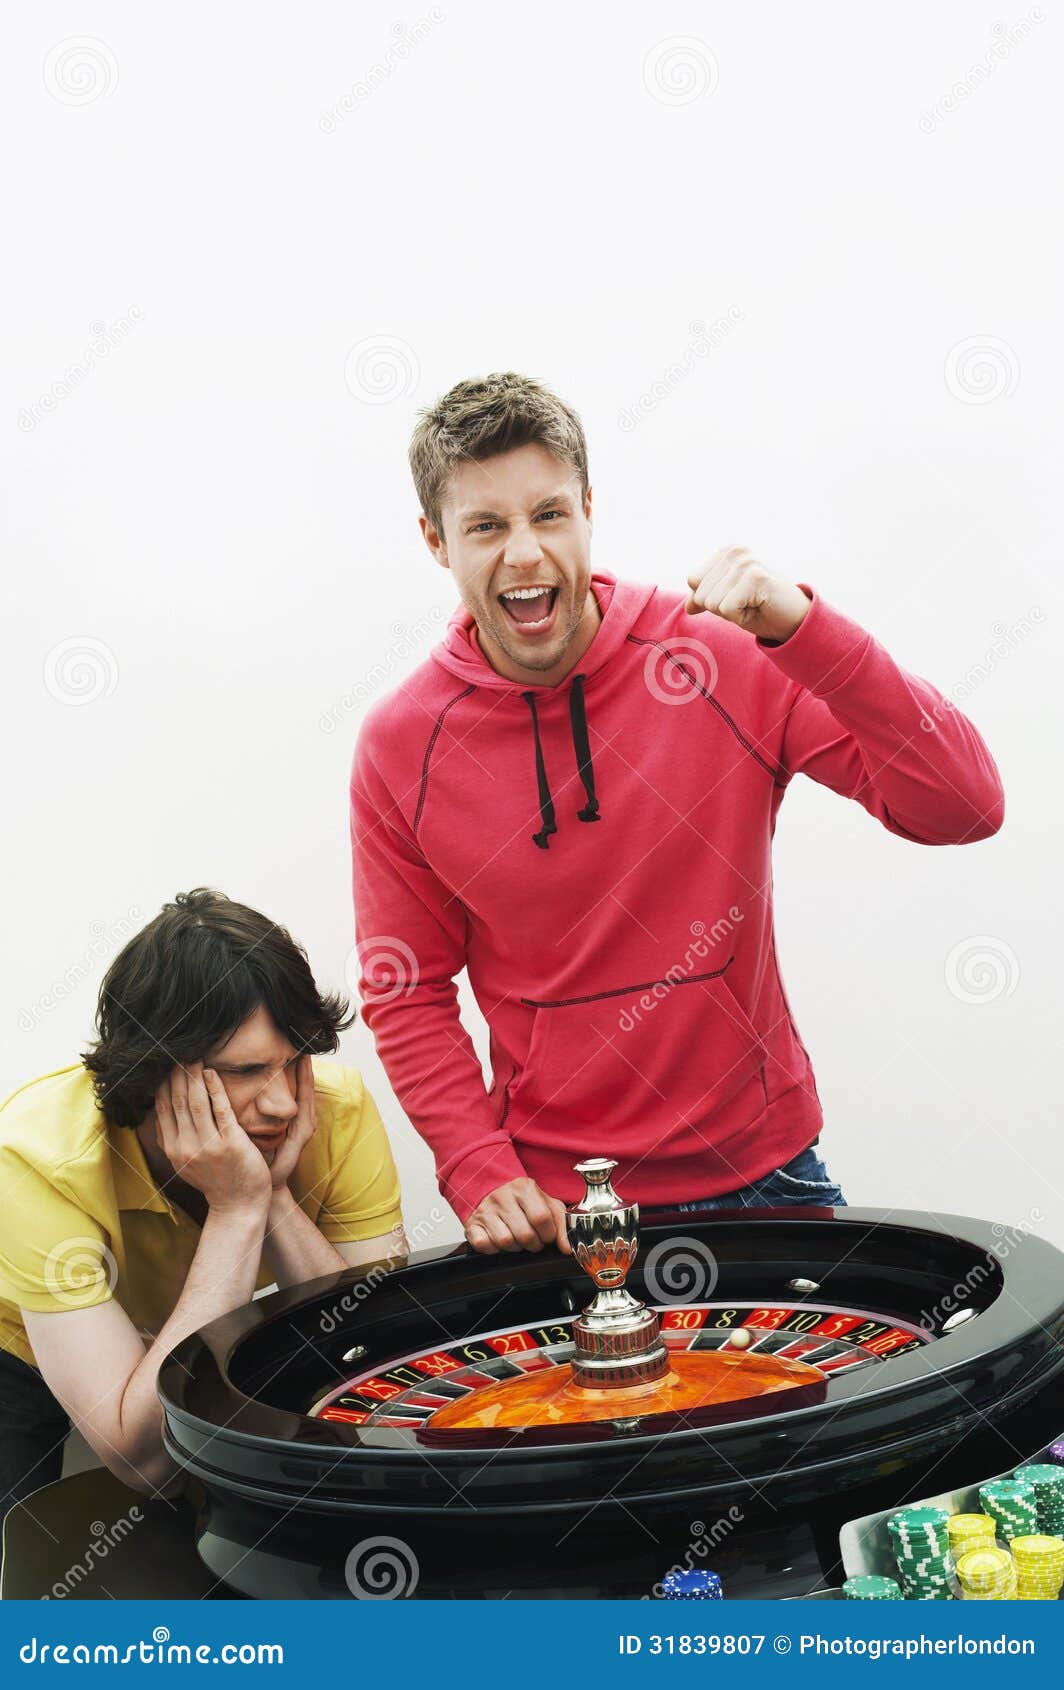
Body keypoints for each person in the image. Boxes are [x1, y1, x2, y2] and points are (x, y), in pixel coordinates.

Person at [349, 371, 1004, 1257]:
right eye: (487, 526)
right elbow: (409, 989)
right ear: (437, 541)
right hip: (562, 1212)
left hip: (766, 1181)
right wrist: (474, 1163)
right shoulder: (401, 744)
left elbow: (963, 805)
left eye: (548, 514)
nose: (527, 555)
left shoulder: (720, 655)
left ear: (588, 507)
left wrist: (805, 629)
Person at [0, 889, 405, 1512]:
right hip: (22, 1347)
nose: (284, 1105)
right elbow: (144, 1460)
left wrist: (269, 1196)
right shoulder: (33, 1157)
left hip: (216, 1326)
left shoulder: (338, 1109)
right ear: (153, 1070)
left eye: (292, 1062)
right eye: (243, 1072)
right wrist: (237, 1210)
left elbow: (383, 1359)